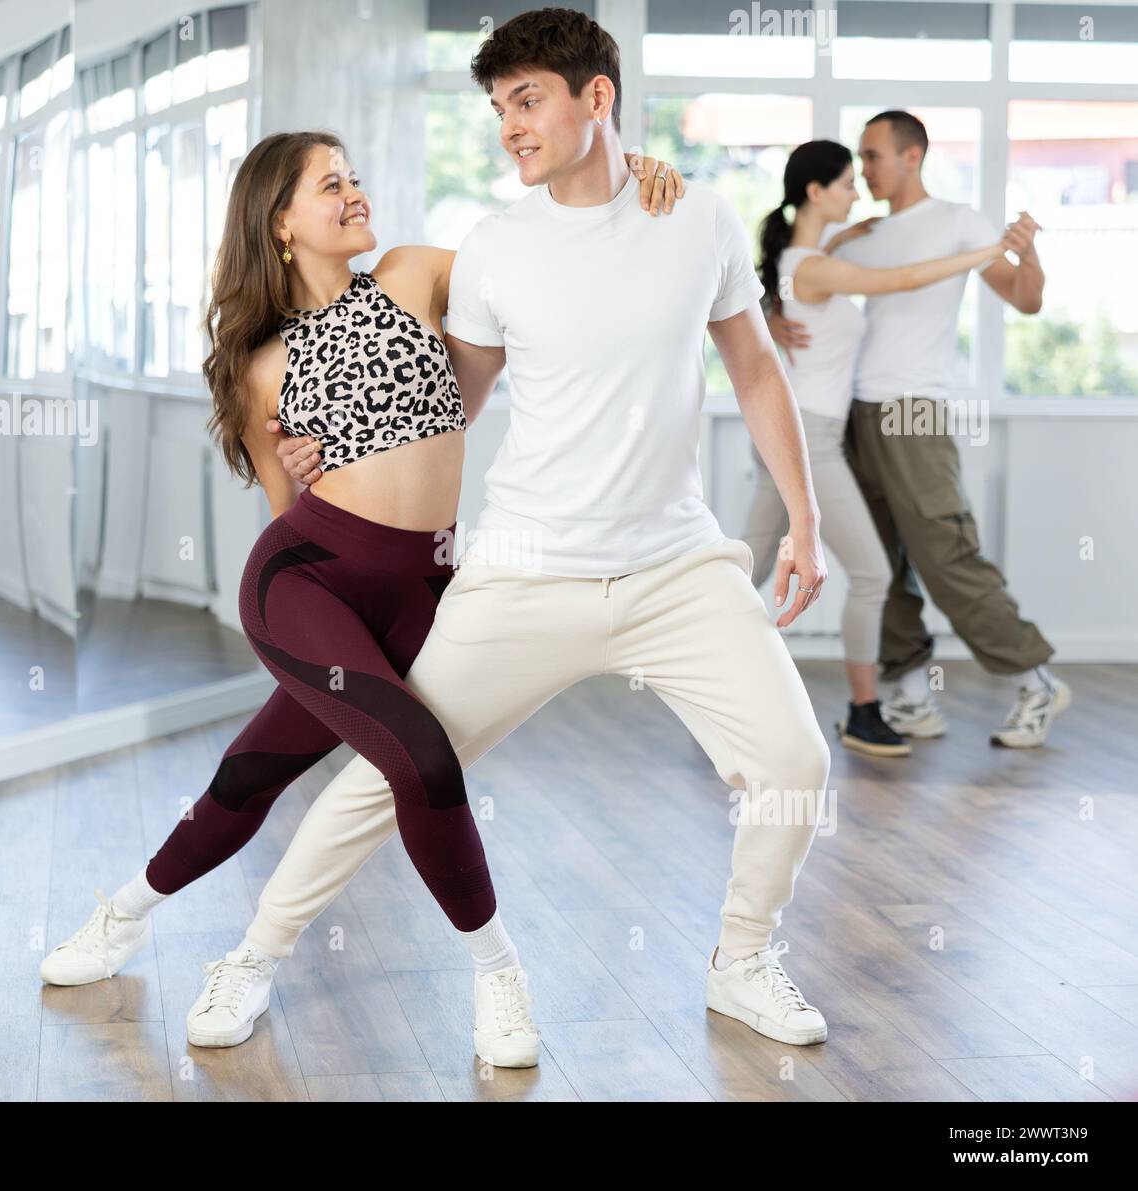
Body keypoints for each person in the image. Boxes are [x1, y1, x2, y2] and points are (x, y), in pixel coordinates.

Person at [39, 128, 686, 1067]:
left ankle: (126, 913)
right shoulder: (261, 362)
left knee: (250, 772)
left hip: (427, 587)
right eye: (326, 183)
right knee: (422, 756)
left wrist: (624, 185)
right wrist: (304, 465)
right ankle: (499, 975)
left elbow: (545, 276)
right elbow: (285, 507)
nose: (352, 191)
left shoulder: (416, 273)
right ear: (281, 223)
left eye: (353, 173)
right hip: (307, 580)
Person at [262, 8, 833, 1050]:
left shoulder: (694, 216)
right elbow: (449, 405)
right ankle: (249, 959)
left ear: (596, 98)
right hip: (524, 573)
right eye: (496, 109)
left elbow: (754, 367)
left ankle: (742, 961)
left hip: (676, 567)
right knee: (394, 769)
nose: (508, 128)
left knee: (796, 766)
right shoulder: (492, 249)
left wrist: (803, 518)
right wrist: (330, 451)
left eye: (526, 101)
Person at [769, 111, 1067, 749]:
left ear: (912, 156)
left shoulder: (959, 222)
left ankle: (1035, 680)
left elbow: (1025, 297)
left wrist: (1027, 252)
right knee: (883, 566)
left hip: (915, 411)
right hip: (854, 415)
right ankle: (906, 696)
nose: (865, 170)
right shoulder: (861, 234)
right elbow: (795, 280)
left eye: (874, 157)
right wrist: (771, 315)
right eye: (860, 161)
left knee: (944, 556)